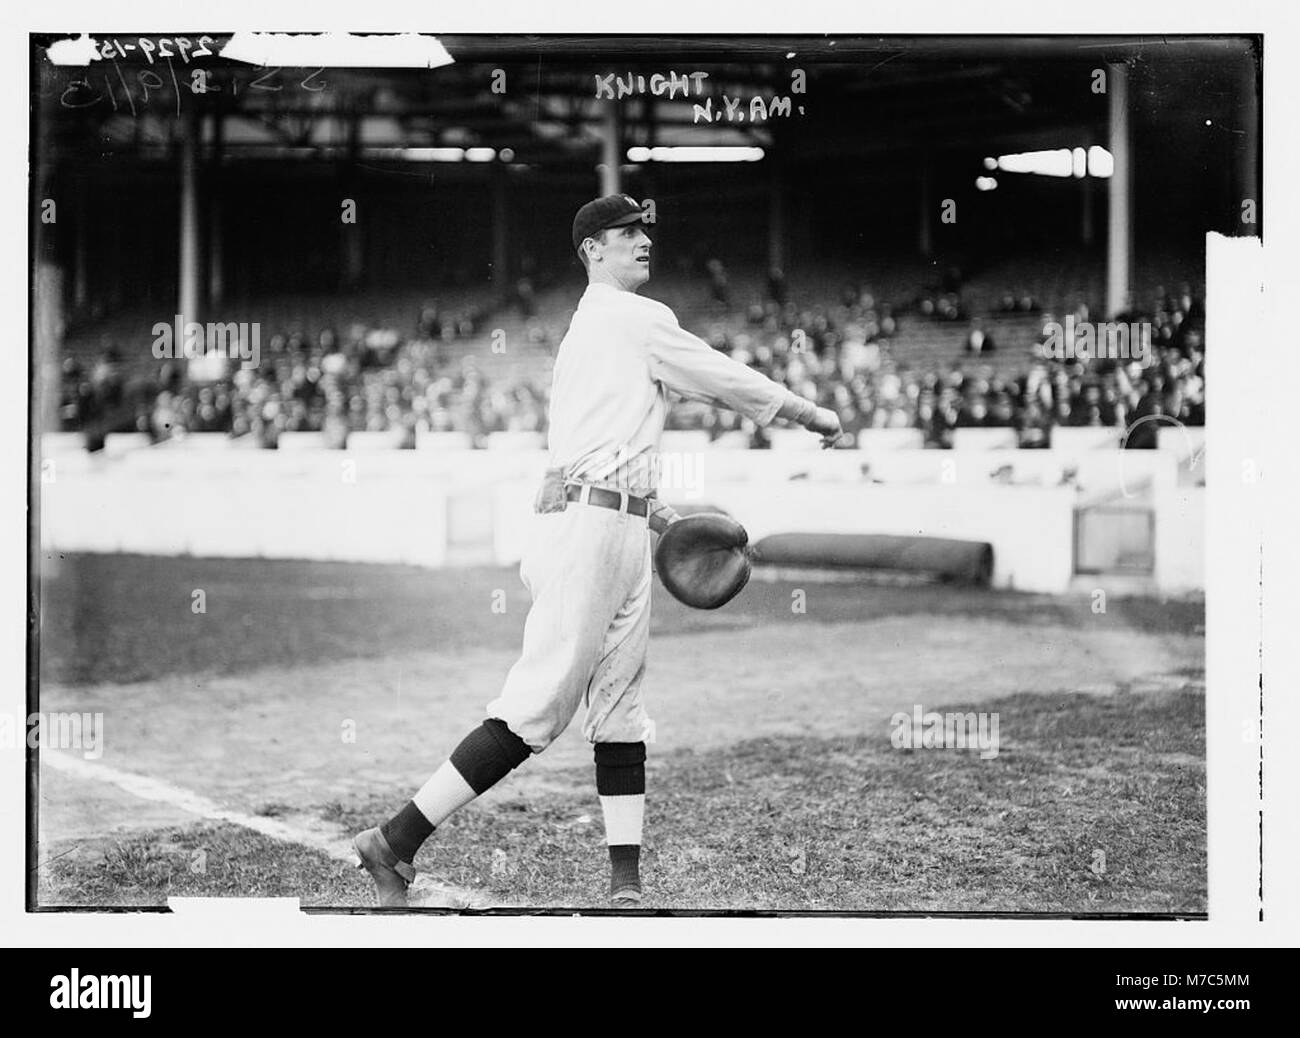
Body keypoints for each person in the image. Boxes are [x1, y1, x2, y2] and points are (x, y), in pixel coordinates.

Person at [352, 194, 841, 908]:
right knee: (538, 708)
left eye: (645, 230)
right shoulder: (631, 318)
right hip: (588, 532)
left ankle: (625, 887)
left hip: (613, 526)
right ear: (592, 251)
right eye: (625, 233)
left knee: (619, 710)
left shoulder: (589, 332)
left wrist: (660, 513)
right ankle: (392, 842)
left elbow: (599, 445)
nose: (643, 241)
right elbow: (722, 376)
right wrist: (809, 413)